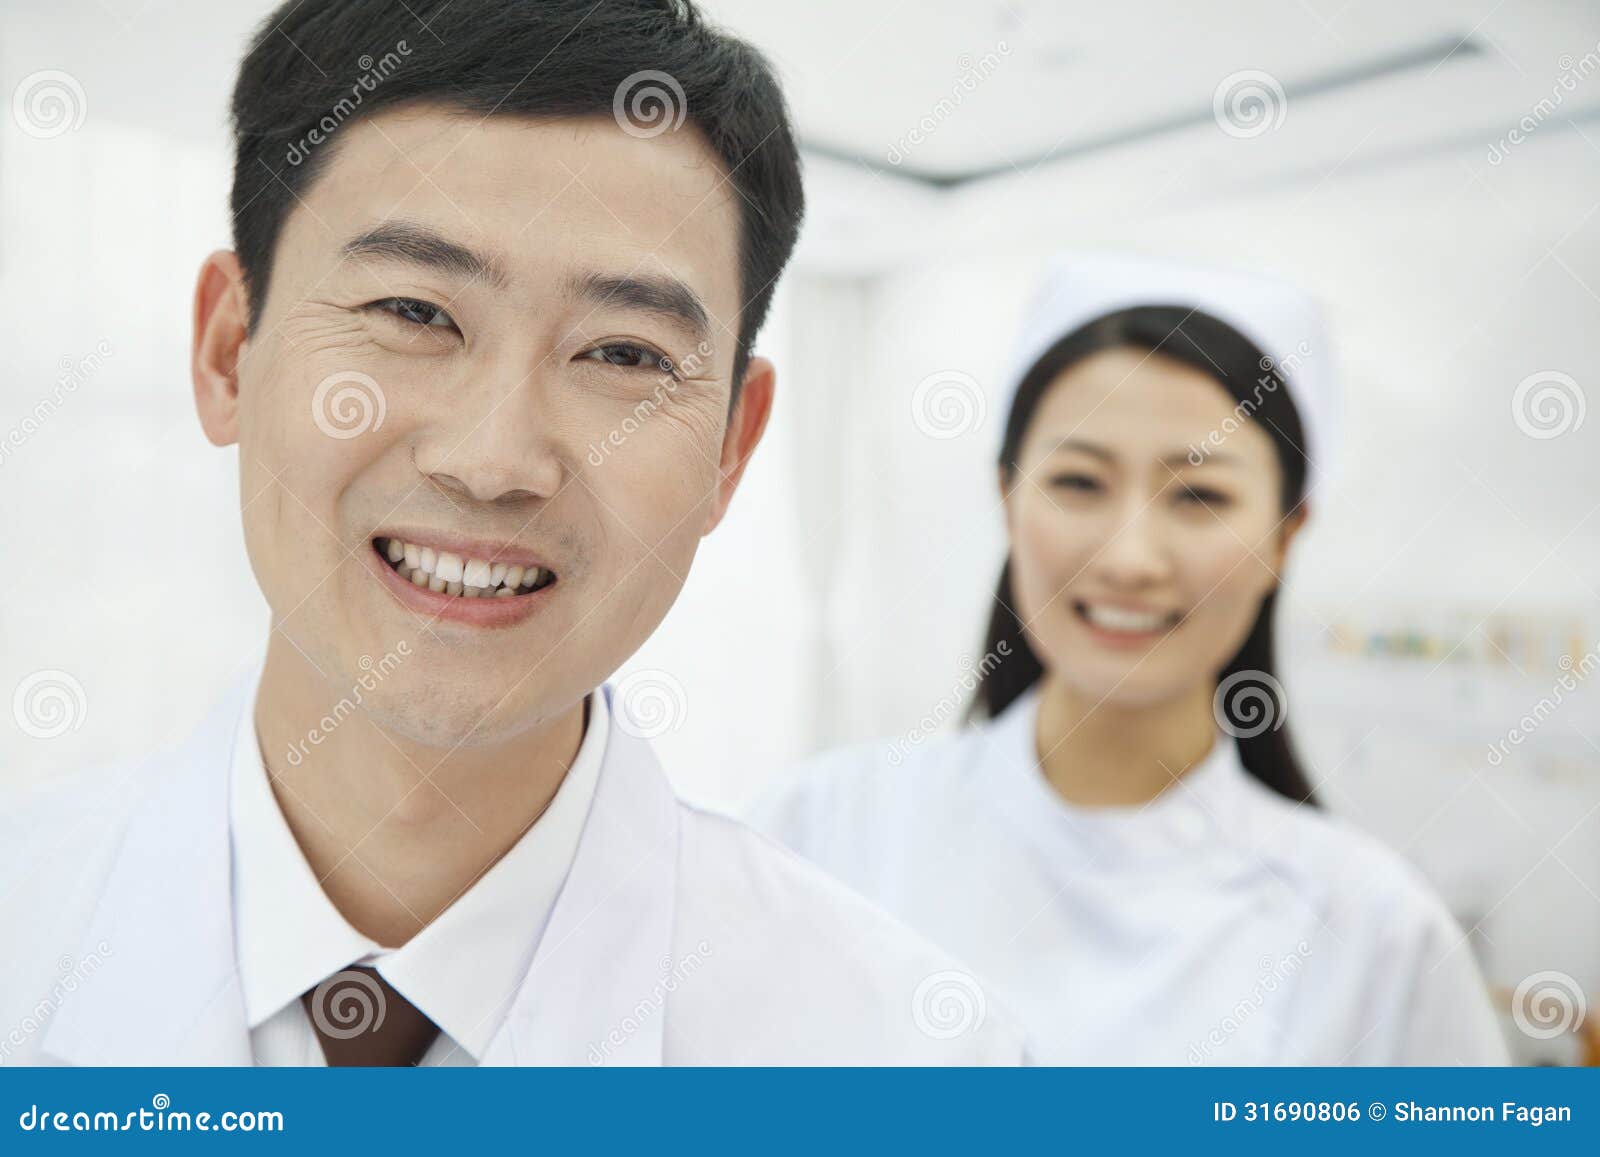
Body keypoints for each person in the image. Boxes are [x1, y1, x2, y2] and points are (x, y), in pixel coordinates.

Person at [0, 0, 1029, 1068]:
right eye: (412, 310)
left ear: (732, 442)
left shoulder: (914, 1060)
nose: (494, 461)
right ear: (228, 351)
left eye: (624, 356)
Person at [752, 251, 1510, 1065]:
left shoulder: (1377, 938)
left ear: (1285, 534)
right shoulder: (820, 832)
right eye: (1080, 481)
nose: (1129, 557)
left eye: (1199, 496)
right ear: (1008, 498)